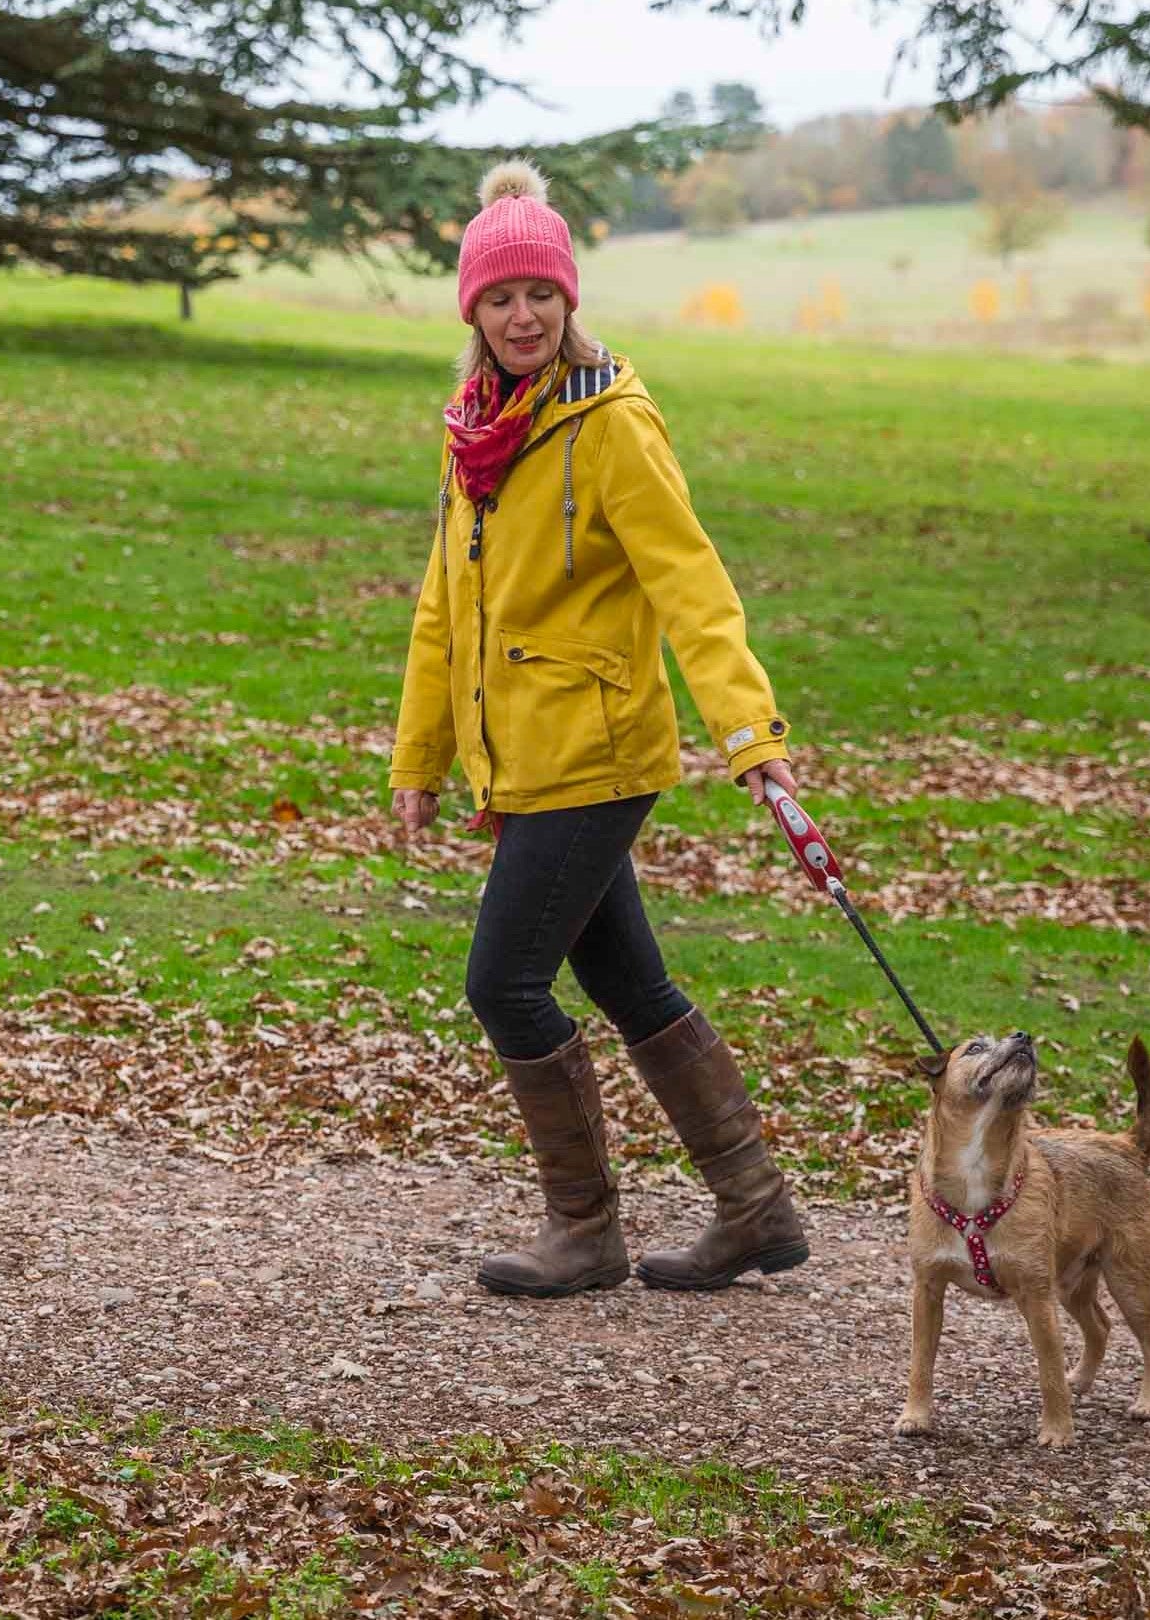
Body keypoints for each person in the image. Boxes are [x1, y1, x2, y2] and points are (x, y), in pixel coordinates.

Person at [390, 159, 808, 1298]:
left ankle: (583, 1229)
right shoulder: (474, 431)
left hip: (598, 749)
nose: (522, 317)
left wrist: (750, 736)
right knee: (628, 982)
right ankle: (755, 1208)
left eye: (541, 295)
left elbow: (692, 583)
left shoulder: (610, 423)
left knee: (504, 983)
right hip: (523, 752)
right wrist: (421, 754)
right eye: (500, 298)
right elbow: (442, 604)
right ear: (472, 311)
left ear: (569, 299)